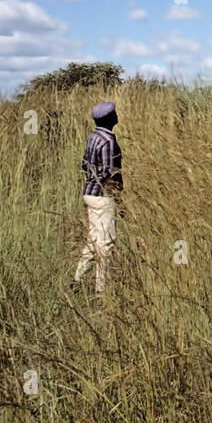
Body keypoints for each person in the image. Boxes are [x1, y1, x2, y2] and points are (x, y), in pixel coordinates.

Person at [72, 101, 124, 294]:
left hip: (89, 192)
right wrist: (118, 199)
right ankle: (101, 292)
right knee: (106, 243)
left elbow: (85, 165)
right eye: (114, 114)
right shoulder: (109, 141)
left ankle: (77, 279)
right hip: (104, 195)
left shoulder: (93, 136)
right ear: (109, 118)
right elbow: (110, 173)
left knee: (94, 238)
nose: (117, 115)